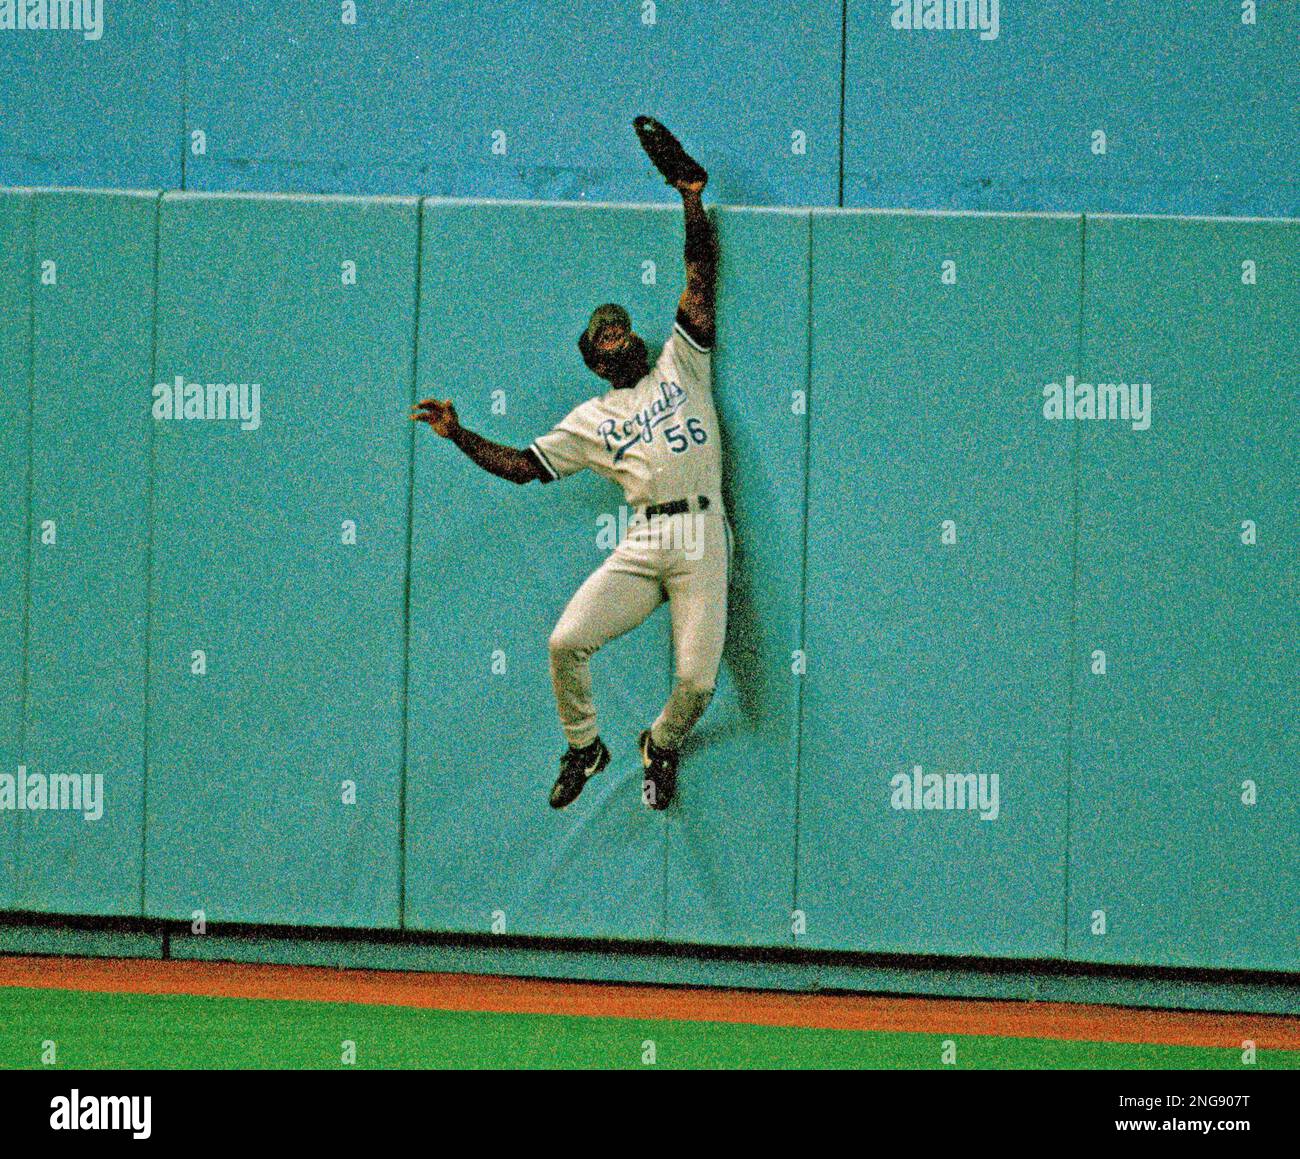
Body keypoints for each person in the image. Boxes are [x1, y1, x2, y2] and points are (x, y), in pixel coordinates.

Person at [413, 118, 731, 812]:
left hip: (705, 535)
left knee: (698, 685)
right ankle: (585, 746)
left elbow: (700, 275)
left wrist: (689, 195)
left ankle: (662, 743)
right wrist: (459, 433)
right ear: (594, 359)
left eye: (622, 325)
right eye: (604, 333)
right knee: (565, 641)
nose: (618, 331)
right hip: (649, 538)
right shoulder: (592, 418)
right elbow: (526, 465)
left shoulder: (683, 361)